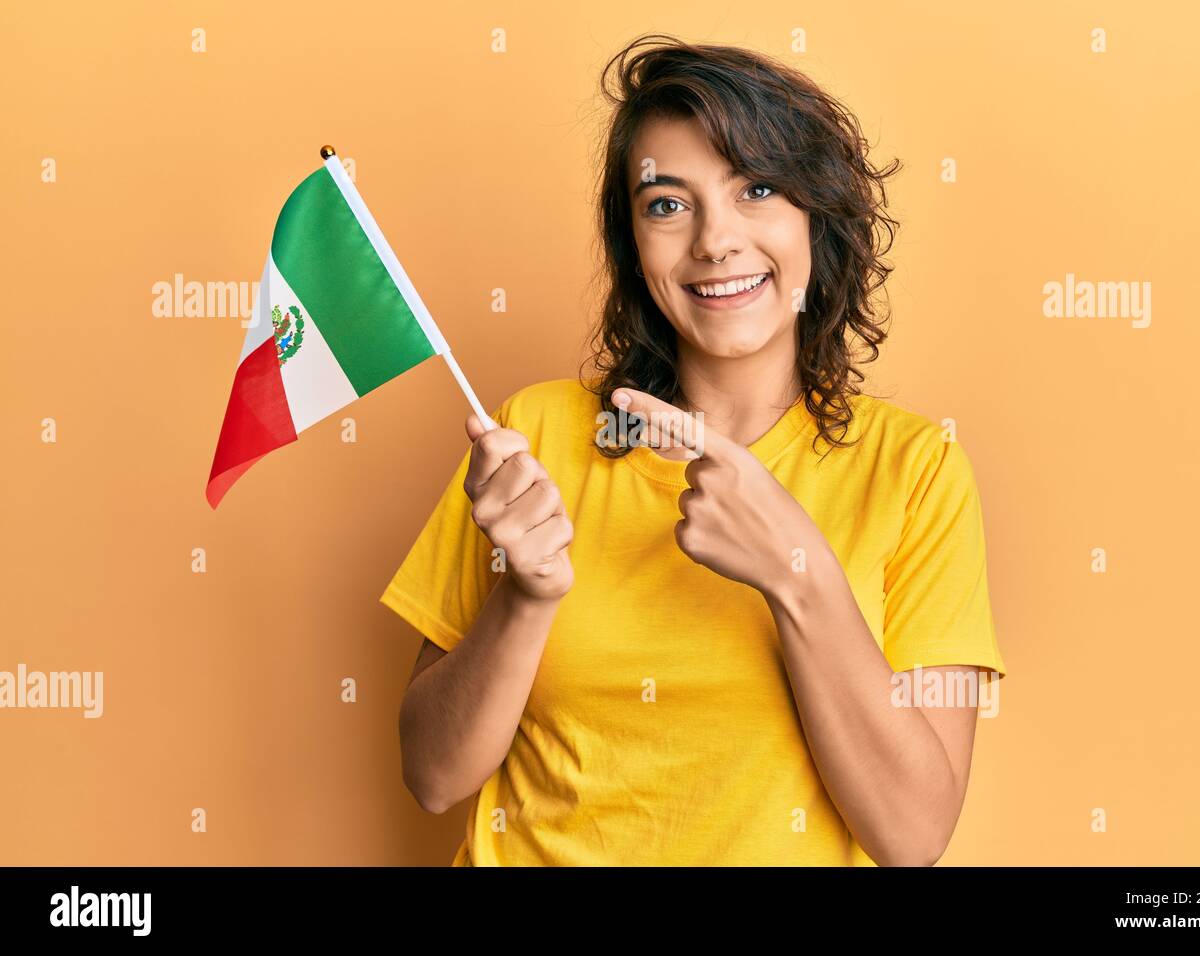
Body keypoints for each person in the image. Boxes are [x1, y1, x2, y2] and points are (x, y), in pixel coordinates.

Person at [380, 34, 1007, 866]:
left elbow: (913, 835)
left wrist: (797, 571)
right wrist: (525, 599)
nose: (715, 241)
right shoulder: (530, 437)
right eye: (667, 204)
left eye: (757, 189)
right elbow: (431, 775)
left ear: (818, 219)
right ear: (635, 249)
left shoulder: (919, 471)